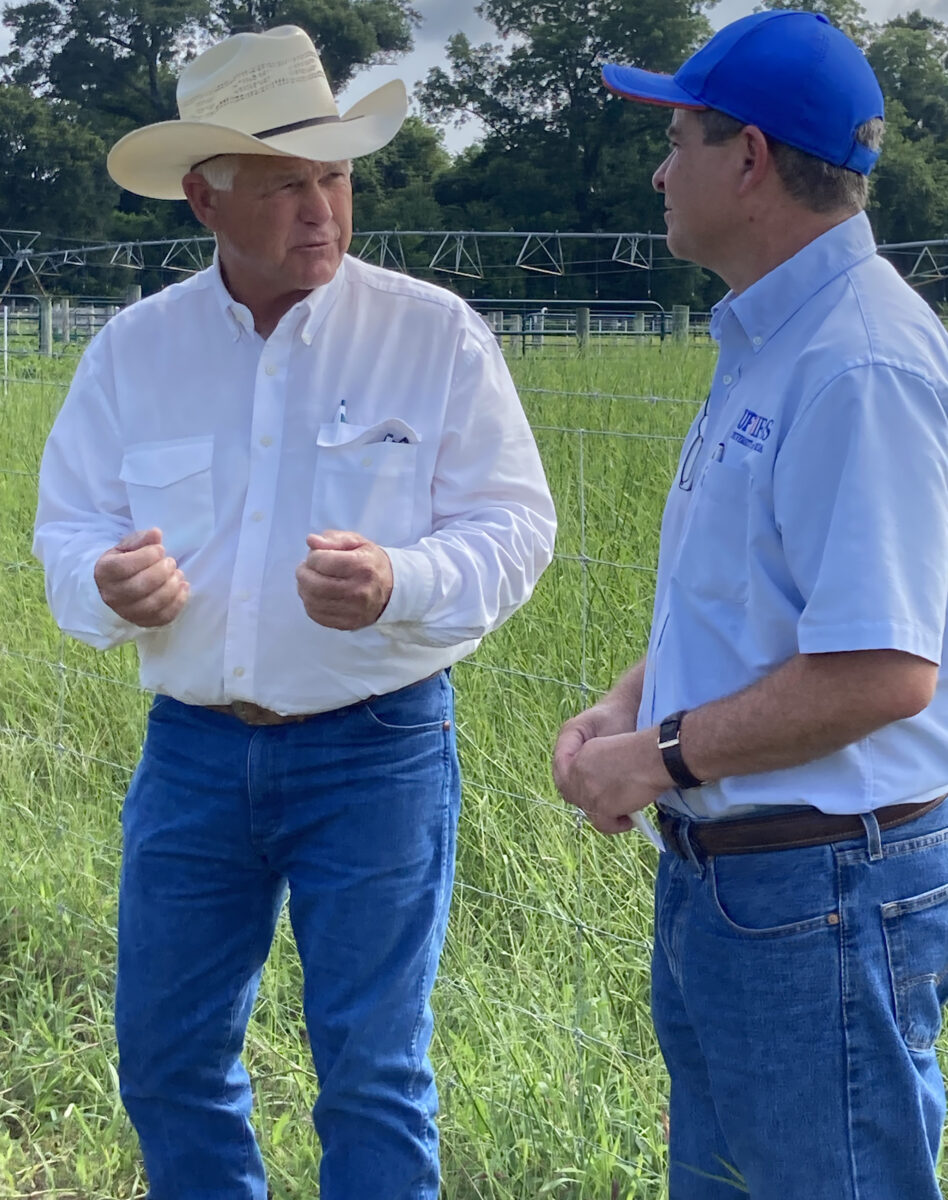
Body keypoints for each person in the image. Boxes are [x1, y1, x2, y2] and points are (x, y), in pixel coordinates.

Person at [34, 24, 555, 1200]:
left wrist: (401, 582)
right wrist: (105, 589)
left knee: (372, 1072)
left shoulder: (433, 336)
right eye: (285, 187)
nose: (322, 210)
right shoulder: (135, 350)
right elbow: (67, 528)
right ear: (202, 199)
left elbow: (517, 525)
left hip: (377, 746)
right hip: (194, 753)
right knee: (168, 1057)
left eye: (335, 178)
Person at [553, 11, 948, 1200]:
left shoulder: (857, 365)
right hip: (756, 885)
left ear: (752, 158)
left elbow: (885, 671)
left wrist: (654, 758)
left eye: (678, 138)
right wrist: (627, 704)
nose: (661, 169)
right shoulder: (775, 339)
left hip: (823, 890)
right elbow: (754, 601)